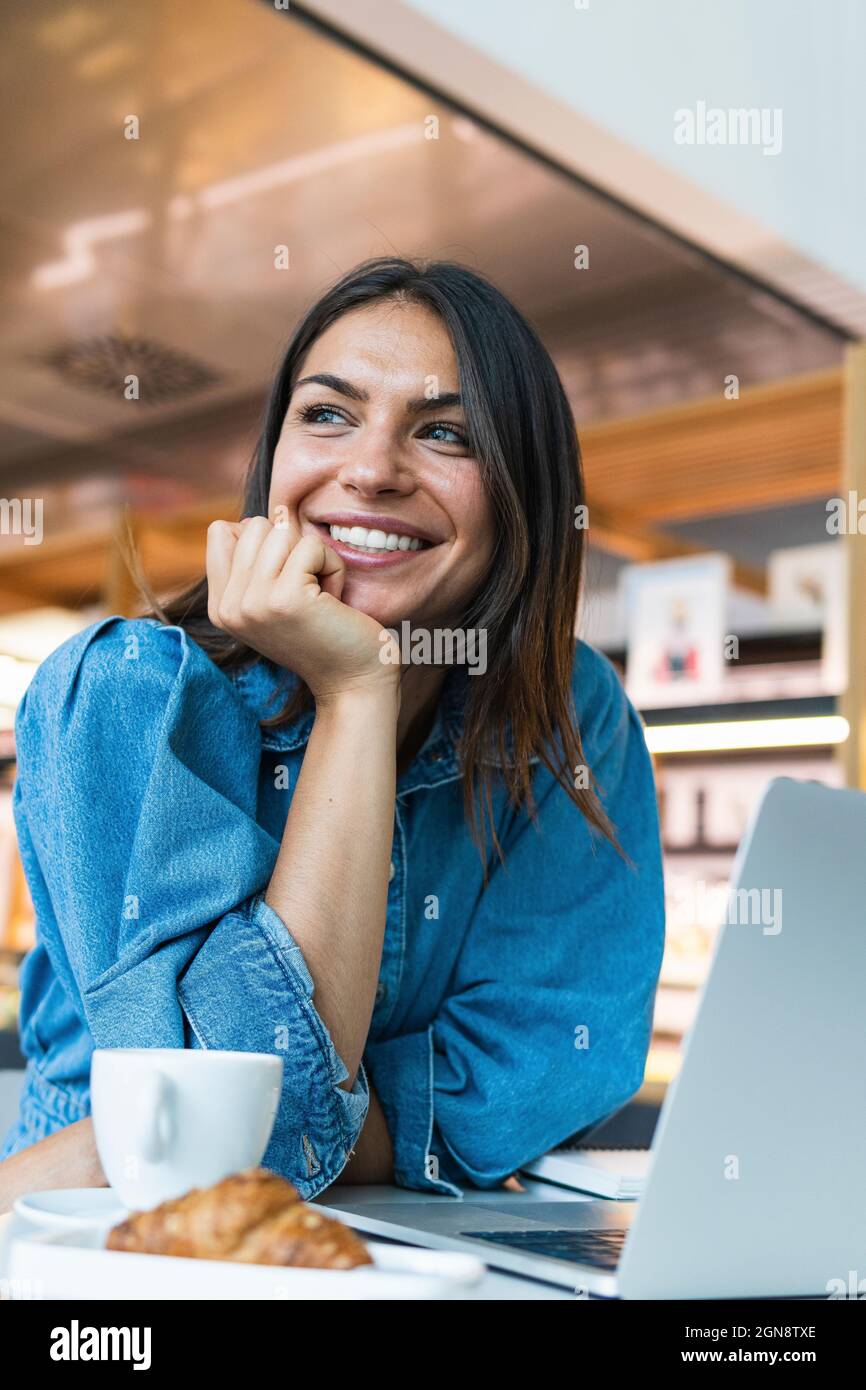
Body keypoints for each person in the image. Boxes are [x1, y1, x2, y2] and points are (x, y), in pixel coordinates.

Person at [0, 258, 664, 1210]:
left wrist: (273, 1126)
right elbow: (232, 1137)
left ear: (523, 494)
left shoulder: (566, 711)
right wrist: (356, 692)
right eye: (327, 414)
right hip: (117, 1258)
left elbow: (548, 1066)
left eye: (444, 433)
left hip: (406, 1269)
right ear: (274, 456)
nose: (371, 470)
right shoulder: (122, 694)